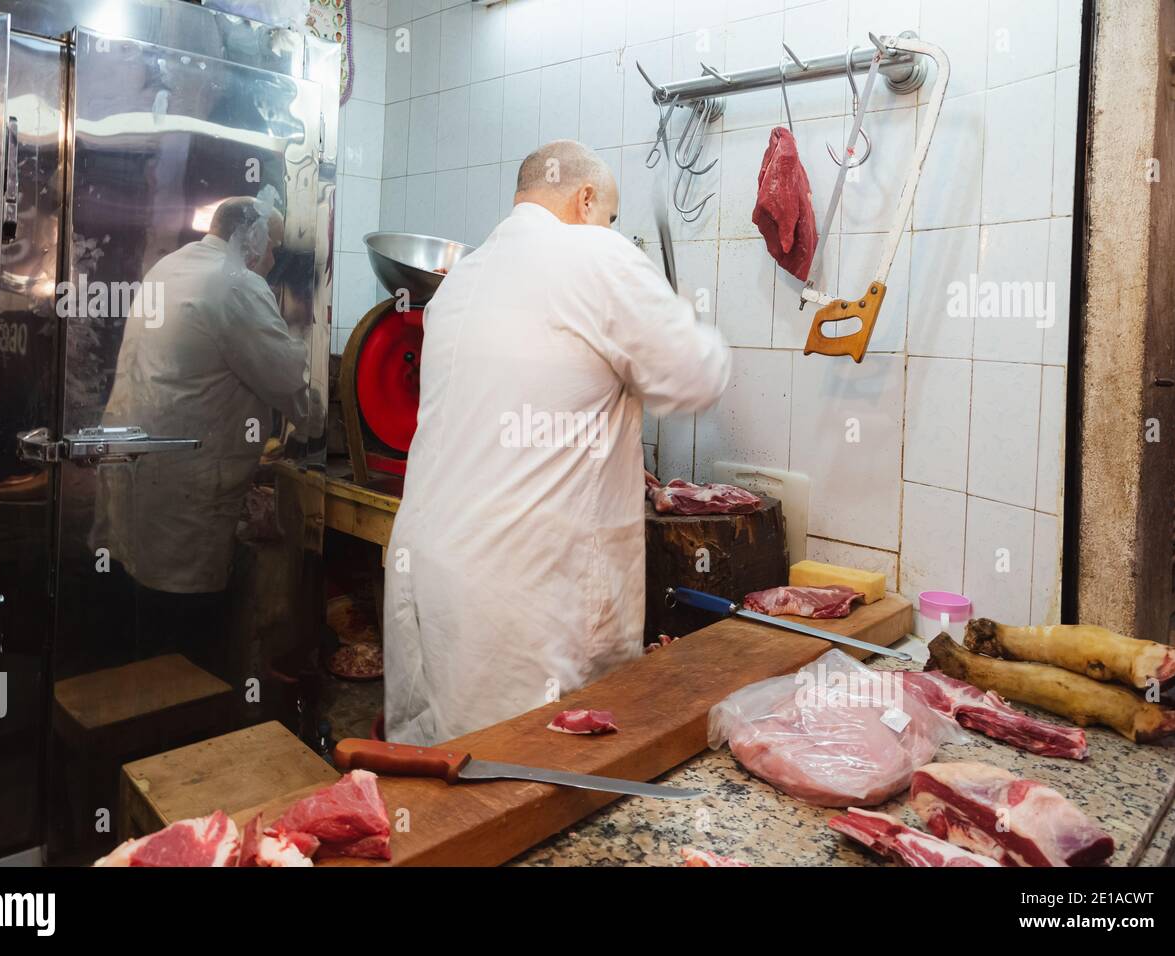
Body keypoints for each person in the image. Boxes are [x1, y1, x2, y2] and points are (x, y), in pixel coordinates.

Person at [383, 140, 732, 745]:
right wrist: (677, 313)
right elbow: (695, 377)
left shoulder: (462, 278)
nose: (611, 229)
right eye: (611, 216)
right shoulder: (595, 251)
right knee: (528, 780)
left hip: (430, 570)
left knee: (435, 775)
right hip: (525, 591)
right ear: (586, 197)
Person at [93, 195, 318, 665]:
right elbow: (290, 380)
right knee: (185, 642)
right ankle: (189, 728)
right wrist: (321, 422)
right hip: (183, 493)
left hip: (139, 476)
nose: (273, 260)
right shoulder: (235, 283)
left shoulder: (170, 267)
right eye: (273, 246)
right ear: (250, 237)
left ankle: (146, 728)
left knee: (137, 628)